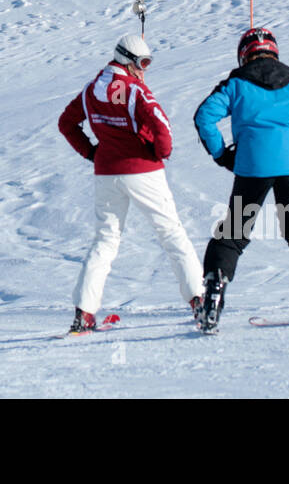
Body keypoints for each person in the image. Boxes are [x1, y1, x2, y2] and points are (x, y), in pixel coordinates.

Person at [192, 27, 289, 333]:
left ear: (243, 54)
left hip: (252, 164)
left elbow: (204, 118)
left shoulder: (235, 84)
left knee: (234, 231)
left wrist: (222, 154)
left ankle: (212, 300)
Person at [58, 33, 205, 334]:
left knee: (105, 240)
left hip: (107, 173)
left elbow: (66, 123)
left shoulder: (91, 89)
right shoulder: (135, 89)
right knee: (171, 233)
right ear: (128, 59)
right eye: (143, 63)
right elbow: (162, 125)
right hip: (143, 171)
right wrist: (160, 153)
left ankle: (84, 312)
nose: (145, 69)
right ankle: (199, 302)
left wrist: (91, 152)